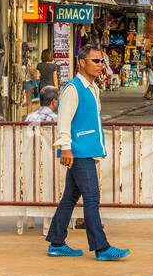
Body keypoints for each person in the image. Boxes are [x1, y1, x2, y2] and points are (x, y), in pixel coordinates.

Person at [45, 44, 128, 261]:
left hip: (87, 150)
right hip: (78, 152)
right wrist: (65, 147)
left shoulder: (93, 88)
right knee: (91, 198)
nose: (101, 65)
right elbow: (63, 120)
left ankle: (56, 242)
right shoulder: (73, 89)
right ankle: (101, 247)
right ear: (82, 63)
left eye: (102, 61)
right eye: (96, 61)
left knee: (70, 198)